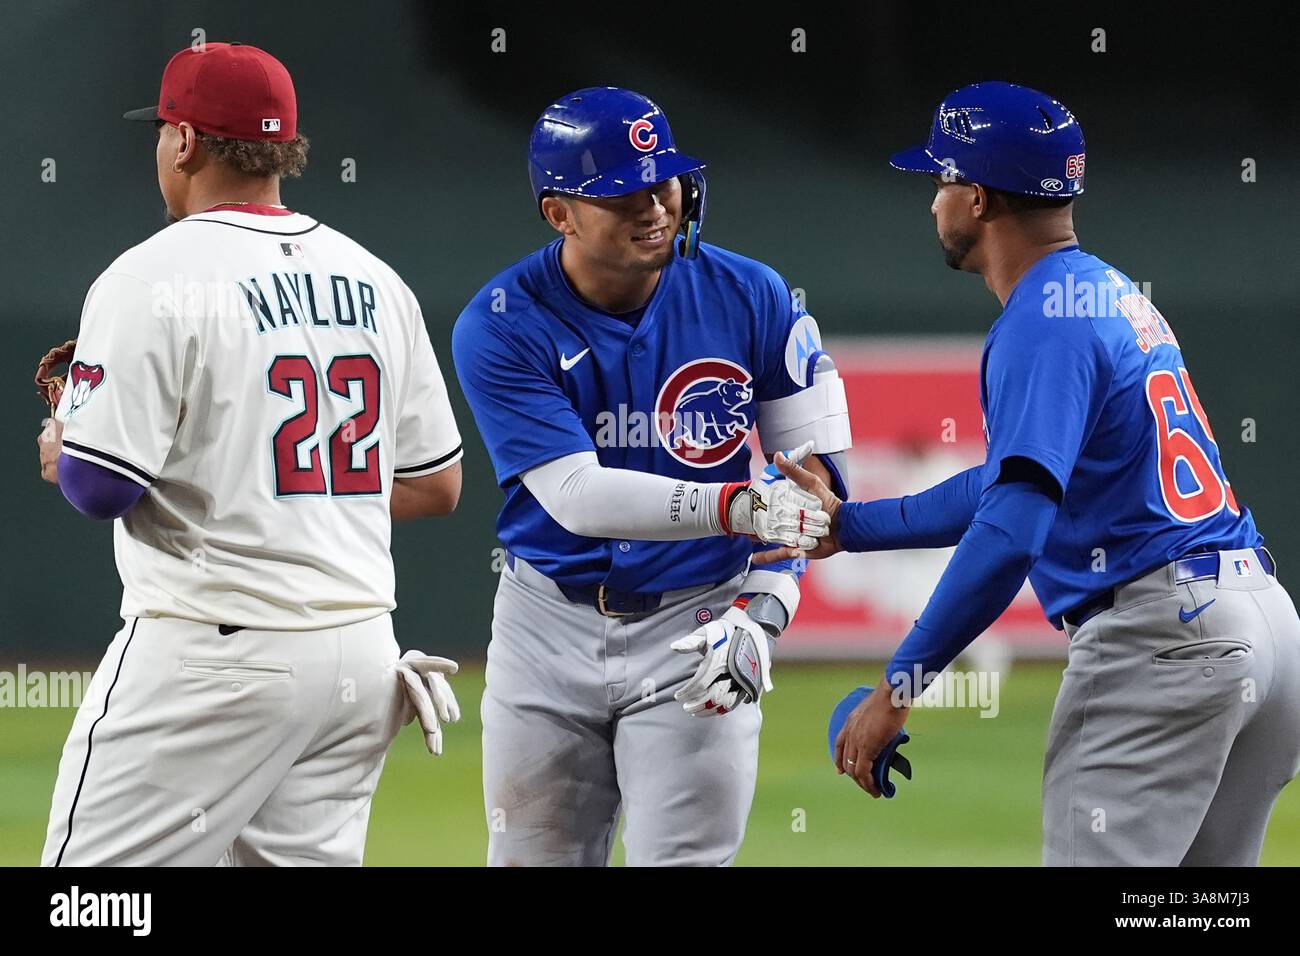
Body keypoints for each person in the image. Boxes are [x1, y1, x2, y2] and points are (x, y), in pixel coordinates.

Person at [767, 81, 1300, 866]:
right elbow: (1005, 486)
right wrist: (852, 526)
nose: (932, 202)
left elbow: (1013, 535)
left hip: (1163, 642)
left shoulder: (1040, 321)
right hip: (1261, 624)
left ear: (977, 198)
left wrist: (895, 691)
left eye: (940, 180)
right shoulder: (1108, 296)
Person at [35, 41, 464, 866]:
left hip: (212, 661)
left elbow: (96, 488)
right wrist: (276, 492)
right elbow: (434, 483)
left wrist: (65, 446)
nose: (160, 147)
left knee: (88, 903)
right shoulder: (376, 278)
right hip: (361, 660)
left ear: (187, 142)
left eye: (164, 130)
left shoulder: (151, 273)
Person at [452, 86, 845, 865]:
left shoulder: (753, 293)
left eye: (662, 182)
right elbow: (577, 497)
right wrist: (736, 505)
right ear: (559, 213)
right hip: (545, 628)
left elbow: (817, 491)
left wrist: (764, 610)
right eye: (620, 194)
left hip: (698, 619)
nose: (654, 207)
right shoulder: (498, 321)